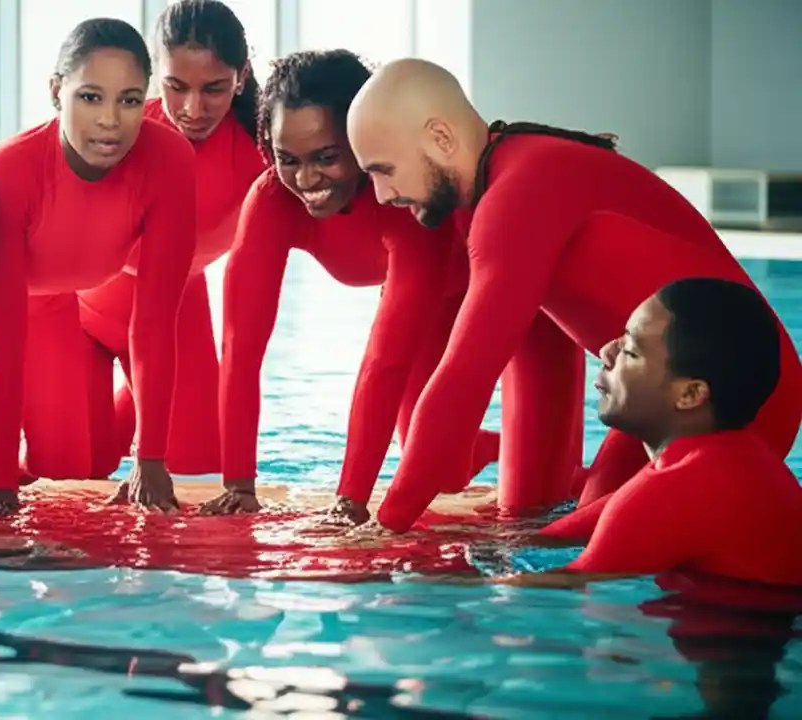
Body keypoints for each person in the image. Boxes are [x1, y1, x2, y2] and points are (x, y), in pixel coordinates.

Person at [344, 58, 802, 532]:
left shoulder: (516, 197)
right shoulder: (495, 191)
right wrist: (522, 509)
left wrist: (387, 524)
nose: (380, 195)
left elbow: (465, 376)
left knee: (588, 543)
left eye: (384, 170)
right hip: (663, 399)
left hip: (736, 401)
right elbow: (538, 351)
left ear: (441, 139)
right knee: (552, 529)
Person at [205, 50, 499, 516]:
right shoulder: (270, 201)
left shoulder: (402, 204)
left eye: (326, 157)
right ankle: (482, 446)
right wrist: (238, 485)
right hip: (415, 300)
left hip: (472, 297)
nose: (306, 179)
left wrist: (351, 501)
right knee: (443, 469)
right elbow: (240, 350)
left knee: (446, 468)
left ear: (363, 142)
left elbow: (384, 362)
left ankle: (518, 450)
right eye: (288, 158)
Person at [0, 18, 197, 518]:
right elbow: (3, 341)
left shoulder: (169, 158)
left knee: (75, 473)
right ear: (55, 91)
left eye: (130, 100)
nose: (110, 120)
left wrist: (149, 459)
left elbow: (152, 324)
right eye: (91, 97)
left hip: (66, 304)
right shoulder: (9, 173)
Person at [76, 0, 267, 476]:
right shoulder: (121, 130)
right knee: (70, 469)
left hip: (176, 309)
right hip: (81, 306)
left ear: (240, 78)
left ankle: (130, 406)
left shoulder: (265, 146)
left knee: (198, 471)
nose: (193, 109)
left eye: (215, 89)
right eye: (175, 86)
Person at [540, 278, 802, 585]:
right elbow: (546, 539)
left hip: (743, 626)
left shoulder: (682, 488)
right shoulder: (729, 462)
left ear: (690, 395)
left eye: (631, 351)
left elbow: (551, 591)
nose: (606, 352)